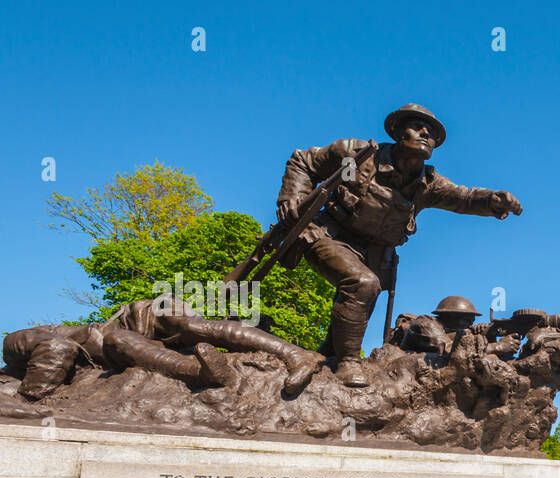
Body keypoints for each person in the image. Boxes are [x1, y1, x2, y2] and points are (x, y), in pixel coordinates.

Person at [275, 104, 522, 386]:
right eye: (417, 127)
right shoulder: (356, 156)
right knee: (362, 283)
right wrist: (291, 198)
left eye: (431, 134)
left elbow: (464, 198)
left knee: (359, 302)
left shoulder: (426, 184)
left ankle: (325, 361)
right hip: (329, 234)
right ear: (397, 132)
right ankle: (348, 363)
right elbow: (304, 162)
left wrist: (493, 201)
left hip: (376, 253)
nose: (425, 134)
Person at [2, 296, 324, 401]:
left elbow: (58, 350)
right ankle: (205, 374)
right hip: (123, 344)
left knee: (192, 326)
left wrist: (29, 396)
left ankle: (295, 353)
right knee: (122, 343)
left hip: (133, 318)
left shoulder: (17, 342)